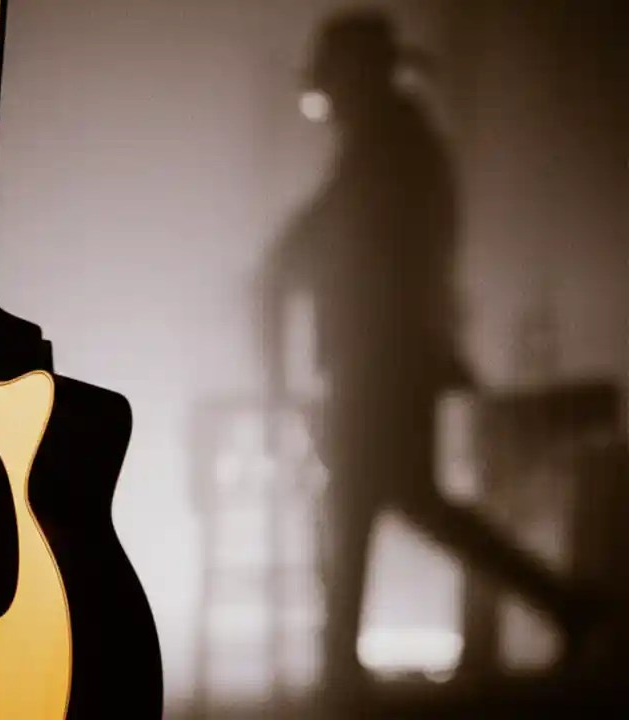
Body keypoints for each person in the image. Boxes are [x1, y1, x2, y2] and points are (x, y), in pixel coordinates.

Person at [255, 9, 595, 708]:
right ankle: (562, 607)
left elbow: (351, 254)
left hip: (383, 366)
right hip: (387, 363)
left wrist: (291, 273)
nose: (331, 99)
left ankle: (341, 676)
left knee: (359, 507)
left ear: (361, 78)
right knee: (402, 504)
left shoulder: (391, 152)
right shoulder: (387, 146)